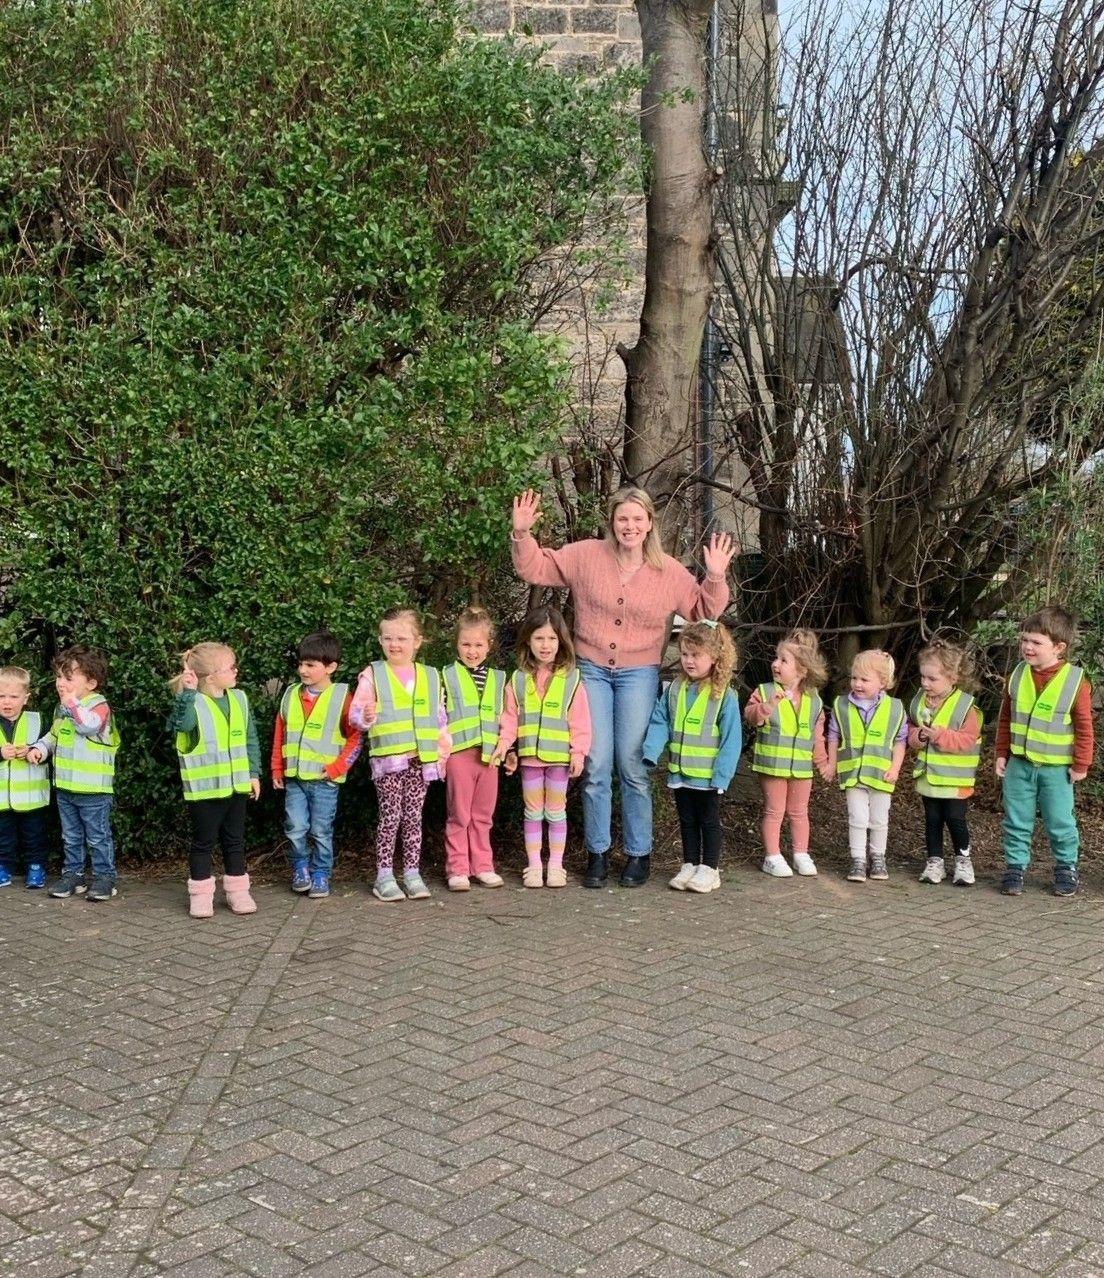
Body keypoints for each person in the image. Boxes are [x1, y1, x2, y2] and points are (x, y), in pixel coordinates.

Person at [510, 486, 734, 888]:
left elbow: (705, 610)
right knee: (595, 764)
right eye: (622, 519)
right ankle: (597, 853)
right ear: (612, 522)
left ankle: (637, 854)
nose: (629, 526)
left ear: (649, 524)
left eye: (637, 519)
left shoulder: (668, 571)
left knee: (632, 766)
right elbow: (536, 568)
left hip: (638, 673)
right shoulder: (585, 556)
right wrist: (522, 535)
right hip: (592, 670)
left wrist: (715, 576)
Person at [351, 607, 449, 902]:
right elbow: (356, 715)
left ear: (418, 641)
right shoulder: (373, 674)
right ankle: (383, 875)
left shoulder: (431, 676)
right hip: (389, 762)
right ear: (380, 640)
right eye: (388, 638)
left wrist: (442, 755)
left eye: (402, 638)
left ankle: (412, 873)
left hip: (421, 761)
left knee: (413, 817)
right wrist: (365, 715)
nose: (394, 644)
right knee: (390, 816)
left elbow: (440, 719)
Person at [995, 605, 1094, 897]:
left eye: (1036, 642)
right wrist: (1002, 752)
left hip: (1056, 770)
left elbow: (1085, 728)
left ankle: (1066, 867)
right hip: (1020, 765)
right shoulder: (1017, 675)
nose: (1027, 647)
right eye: (1024, 640)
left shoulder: (1076, 681)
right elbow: (1005, 718)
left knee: (1061, 821)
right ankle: (1015, 867)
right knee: (1016, 819)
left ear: (1059, 647)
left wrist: (1081, 764)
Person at [492, 607, 591, 888]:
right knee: (533, 812)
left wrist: (578, 753)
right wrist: (504, 745)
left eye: (551, 638)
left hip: (559, 759)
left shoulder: (572, 679)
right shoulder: (518, 679)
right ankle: (534, 865)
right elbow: (510, 718)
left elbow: (581, 721)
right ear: (527, 642)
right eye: (538, 638)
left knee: (556, 812)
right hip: (530, 760)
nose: (545, 645)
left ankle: (556, 866)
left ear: (561, 641)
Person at [642, 621, 742, 894]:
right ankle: (689, 864)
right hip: (680, 772)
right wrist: (652, 751)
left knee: (708, 821)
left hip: (709, 776)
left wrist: (723, 775)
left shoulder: (725, 696)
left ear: (714, 658)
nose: (688, 661)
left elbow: (732, 739)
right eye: (685, 654)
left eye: (696, 655)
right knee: (686, 820)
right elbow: (661, 719)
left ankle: (710, 868)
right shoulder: (675, 689)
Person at [168, 643, 262, 917]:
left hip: (236, 788)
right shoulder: (192, 703)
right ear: (210, 676)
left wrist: (253, 774)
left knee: (235, 841)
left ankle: (238, 892)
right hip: (205, 792)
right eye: (230, 667)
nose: (236, 671)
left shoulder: (240, 699)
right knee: (203, 843)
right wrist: (186, 693)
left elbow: (250, 739)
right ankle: (200, 895)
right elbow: (180, 726)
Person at [271, 631, 362, 899]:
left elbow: (356, 737)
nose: (303, 670)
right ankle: (301, 868)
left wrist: (337, 768)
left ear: (331, 667)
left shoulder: (343, 696)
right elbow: (280, 734)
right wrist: (277, 768)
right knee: (294, 827)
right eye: (301, 664)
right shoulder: (290, 695)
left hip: (325, 782)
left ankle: (321, 873)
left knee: (321, 831)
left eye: (310, 665)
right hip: (295, 779)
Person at [30, 646, 120, 902]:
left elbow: (89, 726)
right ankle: (74, 875)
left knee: (98, 837)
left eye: (68, 678)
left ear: (91, 683)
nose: (60, 683)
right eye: (59, 676)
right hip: (66, 788)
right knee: (70, 837)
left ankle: (105, 878)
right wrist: (39, 749)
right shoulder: (62, 709)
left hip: (94, 790)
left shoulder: (99, 706)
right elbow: (54, 736)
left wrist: (72, 703)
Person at [744, 629, 830, 878]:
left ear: (802, 670)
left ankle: (801, 853)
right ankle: (772, 856)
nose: (776, 664)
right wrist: (767, 706)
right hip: (772, 765)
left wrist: (822, 762)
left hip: (801, 768)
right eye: (776, 658)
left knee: (799, 811)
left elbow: (817, 734)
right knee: (774, 810)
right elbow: (750, 717)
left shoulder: (813, 700)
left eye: (784, 660)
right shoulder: (764, 690)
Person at [826, 649, 907, 883]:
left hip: (881, 775)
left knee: (880, 819)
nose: (857, 684)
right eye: (854, 678)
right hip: (852, 774)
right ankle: (858, 860)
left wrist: (896, 768)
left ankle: (878, 857)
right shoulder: (841, 705)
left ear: (883, 682)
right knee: (857, 817)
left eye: (864, 679)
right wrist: (832, 763)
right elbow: (833, 734)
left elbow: (900, 741)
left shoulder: (895, 708)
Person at [442, 606, 507, 891]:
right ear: (456, 644)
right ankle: (457, 868)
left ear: (489, 646)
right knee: (459, 814)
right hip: (458, 756)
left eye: (478, 644)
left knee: (483, 816)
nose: (472, 650)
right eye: (466, 644)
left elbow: (506, 718)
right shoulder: (445, 676)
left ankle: (482, 865)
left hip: (490, 757)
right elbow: (438, 716)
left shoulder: (498, 679)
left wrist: (508, 750)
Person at [908, 640, 982, 887]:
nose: (925, 683)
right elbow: (909, 731)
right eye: (923, 677)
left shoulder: (966, 706)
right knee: (932, 819)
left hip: (956, 779)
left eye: (932, 679)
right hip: (929, 776)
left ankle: (963, 860)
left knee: (955, 818)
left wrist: (938, 735)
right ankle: (934, 861)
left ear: (952, 678)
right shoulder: (919, 700)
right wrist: (917, 736)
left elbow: (968, 741)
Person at [0, 666, 49, 890]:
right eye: (1, 696)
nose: (6, 702)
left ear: (26, 698)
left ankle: (36, 868)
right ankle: (3, 868)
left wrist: (32, 751)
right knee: (3, 838)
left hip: (32, 799)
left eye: (13, 696)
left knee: (34, 837)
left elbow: (51, 750)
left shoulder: (38, 720)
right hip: (1, 801)